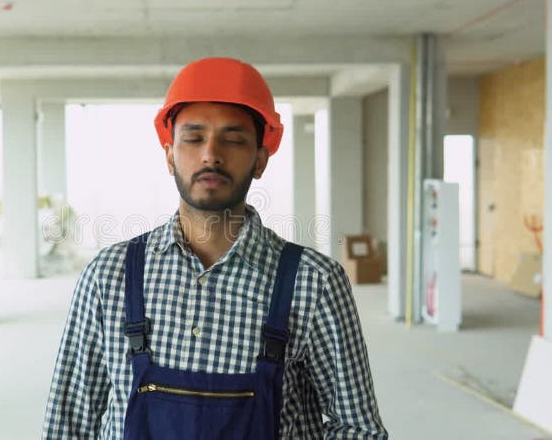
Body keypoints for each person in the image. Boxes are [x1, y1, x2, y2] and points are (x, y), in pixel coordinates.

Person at [41, 57, 388, 439]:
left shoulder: (314, 283)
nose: (211, 154)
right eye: (193, 138)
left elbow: (358, 429)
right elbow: (68, 423)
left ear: (260, 159)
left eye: (233, 139)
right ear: (170, 154)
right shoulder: (110, 275)